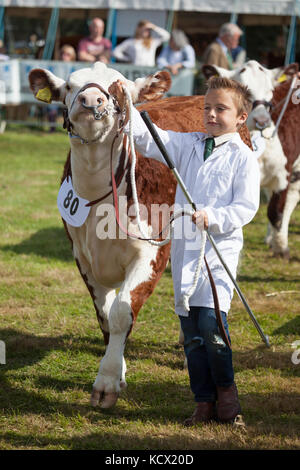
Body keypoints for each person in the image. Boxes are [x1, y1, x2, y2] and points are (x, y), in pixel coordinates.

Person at [109, 76, 260, 426]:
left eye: (220, 108)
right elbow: (149, 138)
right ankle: (202, 401)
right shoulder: (189, 144)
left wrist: (215, 216)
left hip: (218, 249)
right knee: (191, 332)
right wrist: (124, 106)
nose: (210, 114)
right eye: (206, 107)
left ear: (240, 118)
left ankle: (227, 395)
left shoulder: (243, 158)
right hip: (185, 247)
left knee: (211, 324)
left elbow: (246, 207)